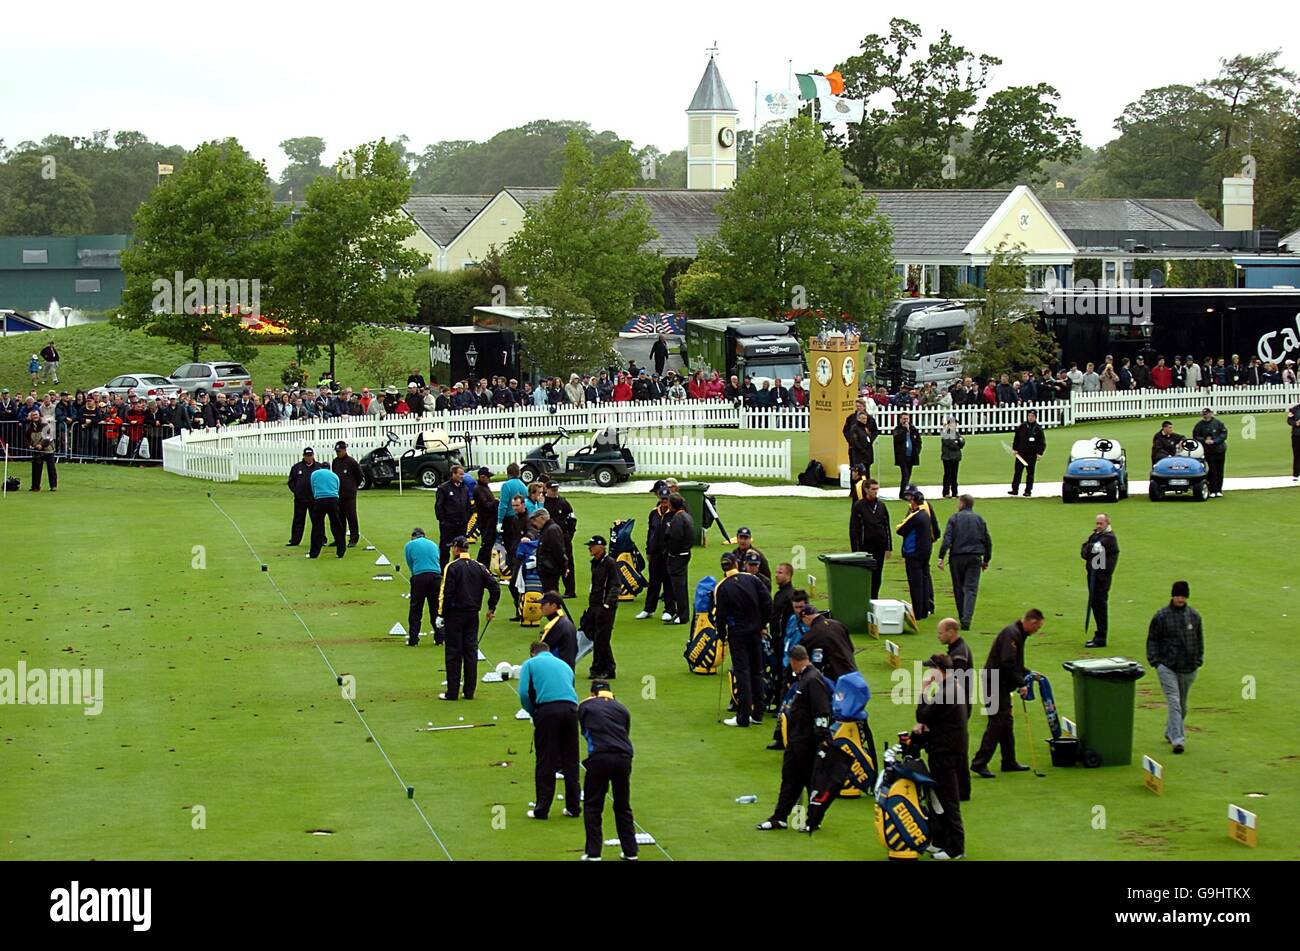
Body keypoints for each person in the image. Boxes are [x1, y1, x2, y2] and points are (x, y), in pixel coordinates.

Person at [756, 645, 831, 831]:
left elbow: (822, 711)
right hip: (796, 741)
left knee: (810, 782)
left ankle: (814, 819)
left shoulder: (812, 680)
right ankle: (779, 817)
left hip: (807, 741)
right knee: (789, 778)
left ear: (793, 661)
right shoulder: (805, 678)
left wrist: (821, 738)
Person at [970, 609, 1043, 778]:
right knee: (996, 723)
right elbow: (1007, 663)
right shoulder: (1012, 634)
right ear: (1031, 622)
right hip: (994, 683)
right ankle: (979, 763)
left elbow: (1015, 664)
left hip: (999, 683)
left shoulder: (1017, 634)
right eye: (1037, 628)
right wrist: (1022, 683)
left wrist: (1029, 673)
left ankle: (1009, 761)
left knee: (1006, 723)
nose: (1036, 631)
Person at [518, 641, 581, 820]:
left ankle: (542, 809)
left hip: (547, 711)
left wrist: (533, 712)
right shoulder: (565, 665)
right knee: (570, 759)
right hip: (571, 710)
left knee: (546, 759)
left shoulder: (530, 664)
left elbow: (523, 693)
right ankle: (574, 807)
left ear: (532, 653)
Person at [577, 680, 638, 860]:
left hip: (599, 757)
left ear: (592, 692)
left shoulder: (585, 705)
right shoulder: (622, 708)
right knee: (622, 805)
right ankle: (631, 851)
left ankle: (594, 853)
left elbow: (584, 730)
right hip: (624, 758)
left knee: (593, 805)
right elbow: (625, 733)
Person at [912, 654, 966, 859]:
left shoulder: (946, 692)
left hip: (945, 752)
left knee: (948, 801)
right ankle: (941, 841)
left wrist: (923, 690)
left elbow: (923, 714)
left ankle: (956, 849)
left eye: (930, 669)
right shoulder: (953, 687)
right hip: (949, 749)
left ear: (938, 670)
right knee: (939, 799)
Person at [436, 535, 500, 700]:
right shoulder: (478, 566)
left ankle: (452, 692)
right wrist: (491, 607)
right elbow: (494, 587)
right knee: (470, 652)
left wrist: (441, 614)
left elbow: (446, 593)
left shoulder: (452, 566)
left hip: (455, 615)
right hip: (473, 615)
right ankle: (469, 691)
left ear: (456, 549)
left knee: (453, 653)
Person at [715, 552, 773, 727]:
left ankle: (743, 716)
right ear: (736, 564)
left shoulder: (721, 587)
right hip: (755, 631)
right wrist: (762, 624)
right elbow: (767, 603)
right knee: (757, 671)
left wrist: (721, 636)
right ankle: (758, 713)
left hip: (737, 634)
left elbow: (721, 616)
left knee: (743, 673)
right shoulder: (752, 580)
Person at [1146, 581, 1204, 755]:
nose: (1180, 599)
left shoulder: (1194, 616)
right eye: (1178, 595)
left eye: (1183, 596)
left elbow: (1199, 640)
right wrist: (1155, 661)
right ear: (1172, 595)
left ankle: (1170, 731)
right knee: (1174, 702)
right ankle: (1178, 740)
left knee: (1182, 706)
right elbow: (1152, 640)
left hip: (1188, 668)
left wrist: (1199, 660)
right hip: (1167, 666)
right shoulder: (1161, 616)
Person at [936, 495, 992, 631]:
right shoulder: (979, 519)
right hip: (974, 557)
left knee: (958, 588)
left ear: (962, 503)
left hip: (957, 557)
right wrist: (986, 560)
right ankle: (967, 618)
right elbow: (987, 541)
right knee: (971, 588)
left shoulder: (954, 518)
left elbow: (947, 539)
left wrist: (941, 556)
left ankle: (962, 615)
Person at [935, 617, 974, 800]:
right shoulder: (958, 649)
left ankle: (962, 790)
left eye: (940, 633)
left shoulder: (958, 655)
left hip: (959, 706)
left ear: (951, 632)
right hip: (961, 704)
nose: (938, 636)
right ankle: (961, 789)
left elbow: (958, 684)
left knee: (958, 750)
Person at [584, 535, 621, 680]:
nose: (590, 548)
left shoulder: (610, 563)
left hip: (605, 607)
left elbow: (616, 586)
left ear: (601, 547)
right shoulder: (595, 563)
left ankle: (603, 668)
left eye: (592, 546)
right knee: (598, 637)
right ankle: (603, 667)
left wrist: (607, 605)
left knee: (602, 638)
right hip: (594, 604)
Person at [636, 487, 675, 621]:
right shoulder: (654, 513)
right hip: (655, 553)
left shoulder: (675, 514)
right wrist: (648, 550)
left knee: (668, 582)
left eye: (666, 499)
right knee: (653, 582)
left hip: (669, 553)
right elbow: (650, 532)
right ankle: (649, 609)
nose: (664, 502)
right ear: (659, 498)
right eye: (662, 499)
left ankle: (669, 610)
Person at [849, 478, 891, 600]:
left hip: (880, 546)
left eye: (877, 489)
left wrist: (888, 547)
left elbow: (886, 526)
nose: (875, 491)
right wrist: (855, 549)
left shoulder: (881, 506)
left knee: (877, 575)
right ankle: (864, 598)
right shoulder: (859, 506)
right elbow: (854, 529)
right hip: (865, 547)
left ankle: (874, 598)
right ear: (866, 489)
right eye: (873, 489)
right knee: (865, 575)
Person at [1081, 513, 1119, 648]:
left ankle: (1101, 637)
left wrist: (1089, 548)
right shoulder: (1095, 536)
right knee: (1095, 605)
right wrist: (1089, 548)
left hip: (1101, 577)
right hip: (1092, 575)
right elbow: (1084, 551)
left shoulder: (1109, 538)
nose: (1098, 526)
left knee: (1100, 605)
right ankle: (1099, 635)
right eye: (1097, 523)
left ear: (1107, 523)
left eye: (1100, 523)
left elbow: (1093, 548)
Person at [896, 490, 934, 620]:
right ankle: (924, 610)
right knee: (924, 582)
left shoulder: (916, 515)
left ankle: (917, 612)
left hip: (914, 553)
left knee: (915, 584)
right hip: (925, 552)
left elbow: (900, 529)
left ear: (914, 501)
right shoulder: (925, 514)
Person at [797, 602, 856, 680]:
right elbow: (851, 648)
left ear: (806, 617)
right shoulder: (838, 625)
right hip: (852, 671)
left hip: (835, 677)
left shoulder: (811, 635)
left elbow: (799, 656)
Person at [404, 527, 441, 647]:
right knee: (435, 608)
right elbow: (437, 559)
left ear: (413, 536)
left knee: (416, 609)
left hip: (419, 576)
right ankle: (440, 638)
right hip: (436, 576)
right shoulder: (433, 544)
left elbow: (410, 563)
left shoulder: (409, 545)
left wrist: (415, 577)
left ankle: (413, 639)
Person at [543, 482, 578, 598]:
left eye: (556, 489)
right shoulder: (543, 503)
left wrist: (569, 534)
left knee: (568, 562)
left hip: (564, 537)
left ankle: (570, 591)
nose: (555, 491)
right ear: (546, 489)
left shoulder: (563, 503)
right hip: (549, 539)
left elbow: (572, 519)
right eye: (552, 489)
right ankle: (552, 590)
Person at [434, 465, 473, 568]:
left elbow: (468, 505)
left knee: (461, 548)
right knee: (445, 548)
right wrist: (443, 521)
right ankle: (443, 571)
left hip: (461, 525)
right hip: (448, 525)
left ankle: (459, 569)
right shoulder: (443, 488)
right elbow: (439, 506)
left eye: (463, 474)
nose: (462, 476)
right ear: (453, 474)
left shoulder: (464, 488)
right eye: (460, 474)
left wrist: (466, 519)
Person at [664, 494, 694, 624]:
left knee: (678, 588)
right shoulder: (687, 516)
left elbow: (675, 538)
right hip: (685, 553)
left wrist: (671, 553)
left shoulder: (678, 519)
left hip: (678, 556)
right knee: (681, 586)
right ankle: (682, 613)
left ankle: (682, 615)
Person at [329, 441, 363, 548]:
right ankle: (339, 539)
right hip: (337, 494)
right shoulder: (335, 462)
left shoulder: (351, 462)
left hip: (349, 495)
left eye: (339, 451)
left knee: (351, 516)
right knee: (339, 518)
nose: (338, 453)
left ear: (344, 450)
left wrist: (352, 487)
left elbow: (359, 476)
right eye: (337, 451)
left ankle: (354, 538)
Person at [1192, 407, 1228, 497]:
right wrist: (1204, 440)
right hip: (1208, 451)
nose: (1206, 415)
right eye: (1204, 414)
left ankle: (1219, 490)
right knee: (1212, 471)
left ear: (1211, 413)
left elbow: (1223, 434)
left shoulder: (1218, 423)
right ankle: (1212, 490)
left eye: (1207, 413)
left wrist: (1215, 441)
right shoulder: (1199, 425)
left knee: (1220, 470)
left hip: (1219, 450)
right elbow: (1195, 436)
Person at [531, 508, 568, 597]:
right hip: (547, 570)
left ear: (542, 518)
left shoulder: (552, 530)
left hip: (550, 571)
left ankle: (556, 611)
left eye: (535, 520)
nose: (534, 524)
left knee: (552, 600)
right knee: (549, 598)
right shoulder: (547, 529)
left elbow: (558, 551)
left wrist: (564, 568)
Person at [1009, 409, 1046, 497]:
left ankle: (1028, 491)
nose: (1030, 418)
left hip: (1031, 454)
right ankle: (1015, 489)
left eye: (1032, 416)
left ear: (1036, 417)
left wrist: (1039, 453)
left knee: (1030, 473)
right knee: (1017, 472)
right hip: (1021, 453)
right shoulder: (1022, 426)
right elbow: (1016, 438)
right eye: (1029, 416)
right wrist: (1015, 449)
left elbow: (1042, 442)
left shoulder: (1038, 429)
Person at [538, 591, 578, 670]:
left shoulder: (555, 625)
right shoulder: (566, 622)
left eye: (543, 604)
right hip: (567, 672)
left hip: (556, 672)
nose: (540, 607)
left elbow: (541, 651)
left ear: (553, 606)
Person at [892, 413, 921, 498]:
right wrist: (905, 430)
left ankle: (905, 492)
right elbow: (897, 439)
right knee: (905, 475)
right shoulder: (898, 429)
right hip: (902, 457)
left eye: (907, 419)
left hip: (911, 456)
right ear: (900, 419)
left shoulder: (913, 429)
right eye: (904, 419)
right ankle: (903, 494)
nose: (905, 421)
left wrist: (917, 451)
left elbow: (918, 441)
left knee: (908, 475)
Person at [27, 411, 57, 491]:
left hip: (48, 449)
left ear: (39, 415)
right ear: (31, 417)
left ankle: (53, 486)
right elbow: (27, 438)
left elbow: (49, 437)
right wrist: (30, 445)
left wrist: (41, 445)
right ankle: (35, 487)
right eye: (33, 415)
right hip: (37, 450)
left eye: (36, 414)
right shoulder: (30, 427)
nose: (35, 416)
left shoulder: (45, 425)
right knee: (36, 469)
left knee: (51, 469)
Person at [472, 468, 497, 567]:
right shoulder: (479, 489)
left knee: (488, 545)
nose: (489, 479)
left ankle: (484, 565)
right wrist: (495, 501)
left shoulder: (484, 488)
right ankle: (481, 566)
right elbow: (486, 505)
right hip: (486, 521)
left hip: (489, 520)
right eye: (488, 477)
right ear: (482, 477)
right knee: (486, 545)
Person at [939, 417, 964, 498]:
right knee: (948, 475)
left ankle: (954, 492)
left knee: (954, 476)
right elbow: (951, 444)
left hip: (955, 457)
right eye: (953, 423)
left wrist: (958, 442)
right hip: (948, 457)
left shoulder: (956, 433)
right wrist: (957, 442)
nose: (955, 425)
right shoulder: (946, 433)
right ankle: (946, 492)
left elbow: (962, 442)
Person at [1289, 400, 1300, 481]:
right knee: (1297, 455)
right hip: (1296, 435)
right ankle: (1296, 474)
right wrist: (1295, 423)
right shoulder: (1294, 409)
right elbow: (1289, 420)